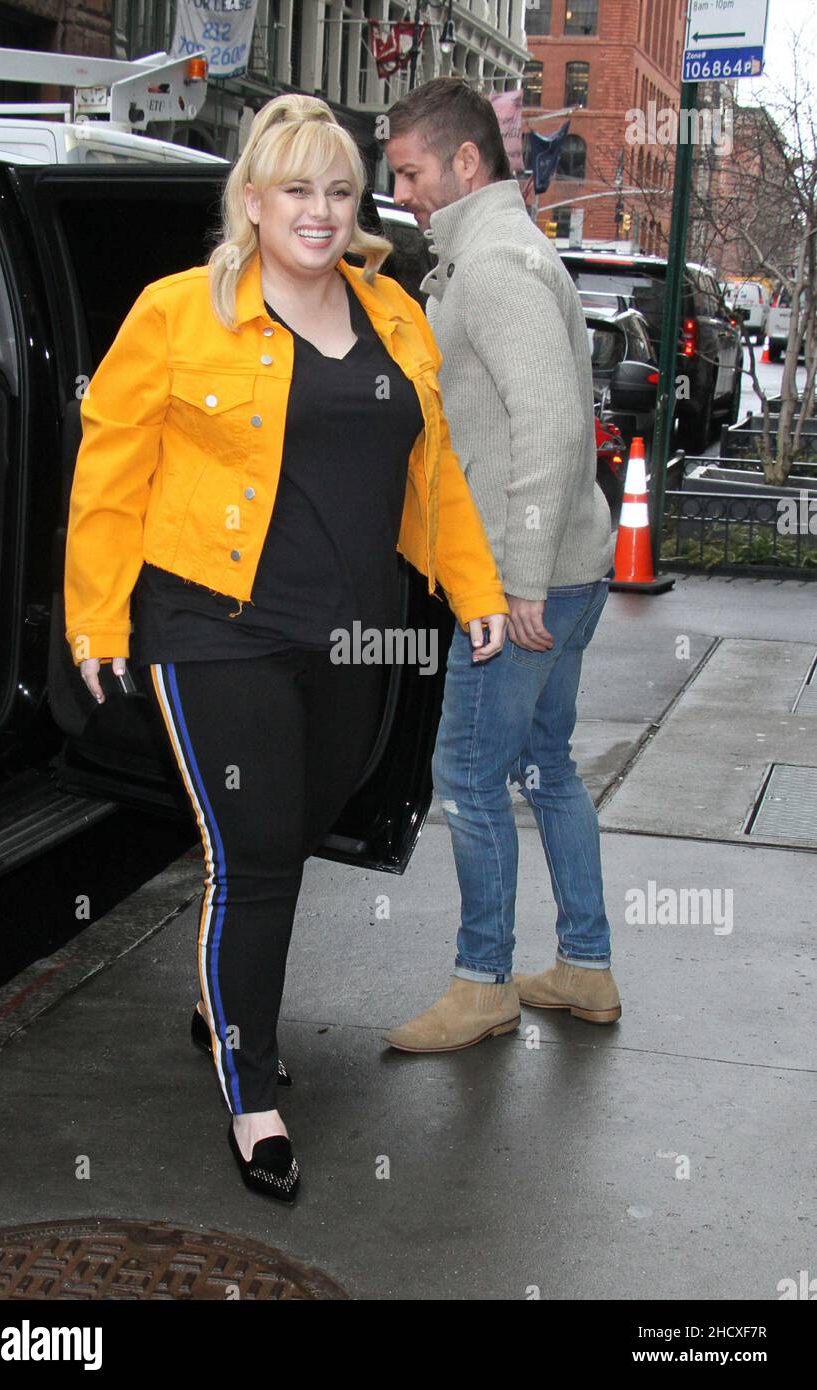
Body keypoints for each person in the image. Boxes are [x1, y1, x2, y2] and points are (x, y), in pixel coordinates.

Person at [63, 93, 509, 1201]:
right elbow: (110, 476)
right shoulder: (178, 313)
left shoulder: (393, 313)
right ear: (251, 200)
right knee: (254, 854)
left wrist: (474, 585)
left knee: (302, 826)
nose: (318, 210)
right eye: (295, 188)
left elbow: (433, 469)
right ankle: (251, 1088)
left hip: (355, 635)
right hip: (215, 625)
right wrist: (96, 616)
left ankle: (227, 992)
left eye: (340, 190)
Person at [381, 78, 620, 1054]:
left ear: (464, 162)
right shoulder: (488, 255)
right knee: (545, 767)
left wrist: (516, 581)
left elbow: (552, 428)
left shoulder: (494, 267)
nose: (399, 191)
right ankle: (583, 964)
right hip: (566, 564)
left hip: (523, 578)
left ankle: (481, 981)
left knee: (466, 777)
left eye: (408, 171)